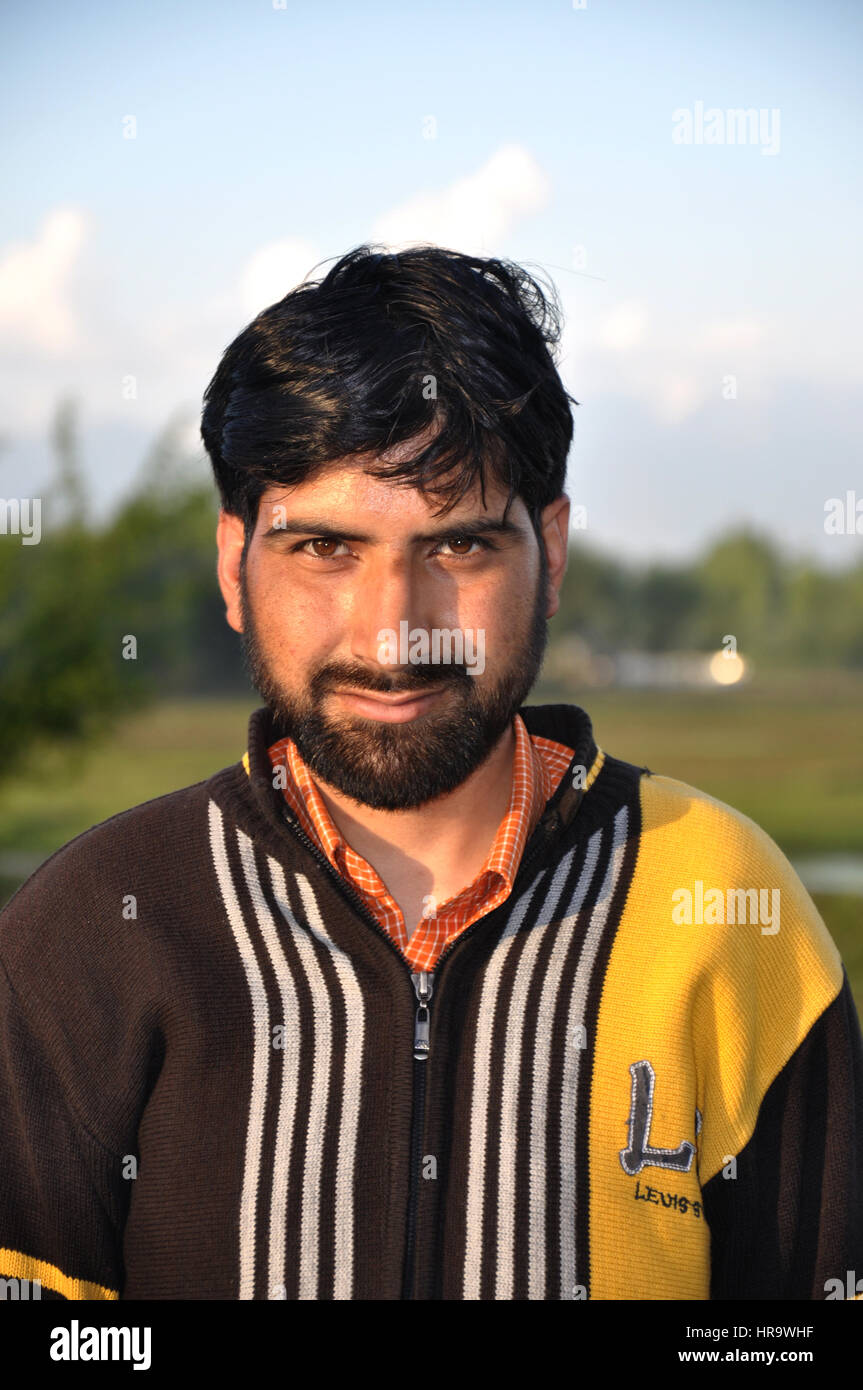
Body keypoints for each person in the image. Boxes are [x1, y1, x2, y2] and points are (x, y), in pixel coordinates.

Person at [0, 244, 860, 1301]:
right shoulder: (93, 926)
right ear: (234, 568)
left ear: (549, 554)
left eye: (456, 547)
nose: (394, 631)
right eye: (323, 548)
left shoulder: (727, 905)